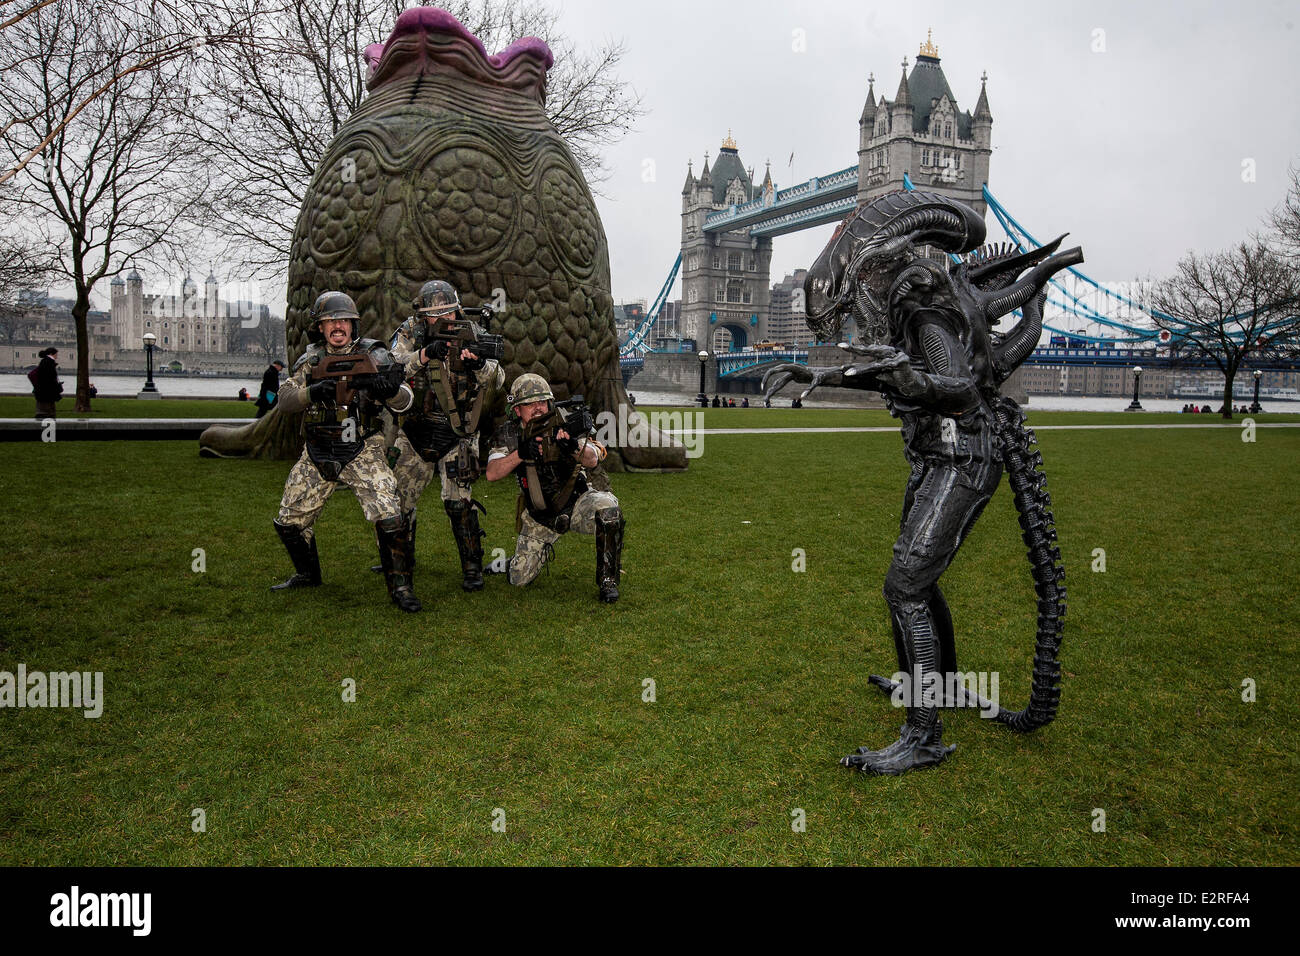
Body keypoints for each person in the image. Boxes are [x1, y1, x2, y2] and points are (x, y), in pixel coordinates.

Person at [270, 291, 422, 612]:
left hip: (362, 447)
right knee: (288, 521)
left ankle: (402, 588)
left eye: (342, 321)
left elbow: (407, 400)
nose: (337, 326)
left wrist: (390, 390)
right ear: (321, 328)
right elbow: (283, 400)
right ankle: (308, 574)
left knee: (389, 514)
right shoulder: (309, 360)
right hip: (318, 448)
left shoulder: (376, 355)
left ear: (353, 326)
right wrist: (312, 391)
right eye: (329, 322)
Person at [385, 279, 505, 591]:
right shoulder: (411, 331)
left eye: (449, 314)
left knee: (458, 503)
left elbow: (498, 377)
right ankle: (400, 560)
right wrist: (423, 355)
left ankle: (472, 566)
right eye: (436, 316)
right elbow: (391, 366)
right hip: (415, 430)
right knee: (398, 503)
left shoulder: (471, 330)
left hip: (458, 432)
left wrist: (478, 364)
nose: (444, 321)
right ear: (423, 316)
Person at [486, 373, 625, 603]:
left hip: (577, 502)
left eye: (542, 402)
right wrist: (521, 454)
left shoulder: (565, 423)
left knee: (608, 510)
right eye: (529, 404)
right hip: (540, 515)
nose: (538, 408)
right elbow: (492, 473)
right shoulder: (510, 433)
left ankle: (607, 581)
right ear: (517, 409)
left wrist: (572, 446)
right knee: (518, 579)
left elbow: (592, 459)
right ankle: (512, 562)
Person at [31, 348, 63, 420]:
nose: (57, 356)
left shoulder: (44, 361)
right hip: (46, 390)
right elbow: (50, 377)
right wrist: (56, 387)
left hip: (42, 390)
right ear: (52, 354)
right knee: (46, 410)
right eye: (56, 354)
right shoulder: (49, 362)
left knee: (44, 408)